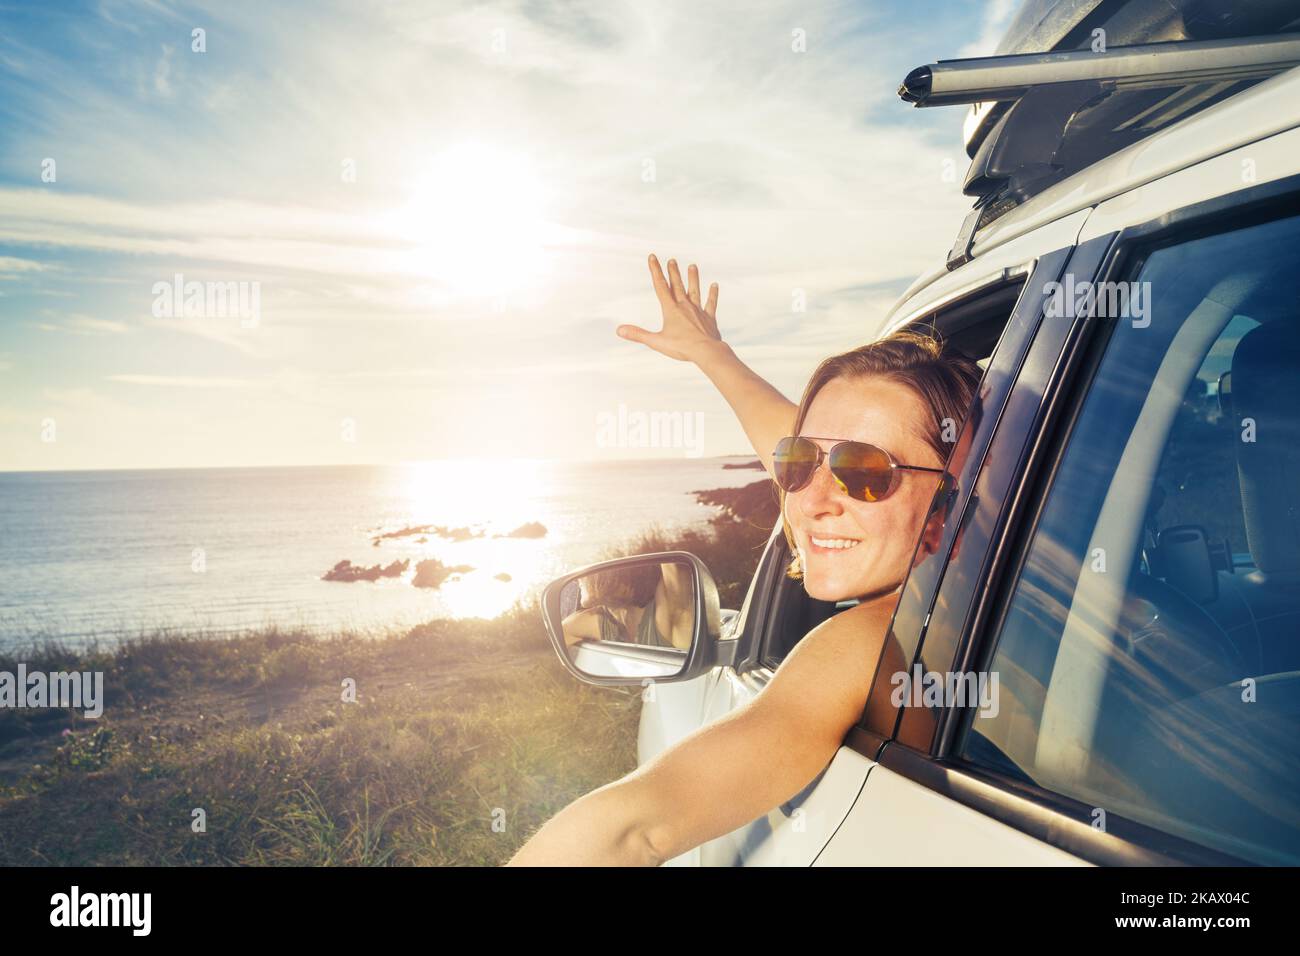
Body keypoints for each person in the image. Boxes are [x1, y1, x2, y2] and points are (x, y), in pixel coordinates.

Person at [508, 255, 982, 865]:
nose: (810, 501)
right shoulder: (1011, 603)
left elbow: (638, 829)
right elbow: (827, 466)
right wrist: (713, 354)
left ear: (953, 500)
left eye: (863, 474)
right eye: (796, 462)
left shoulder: (870, 644)